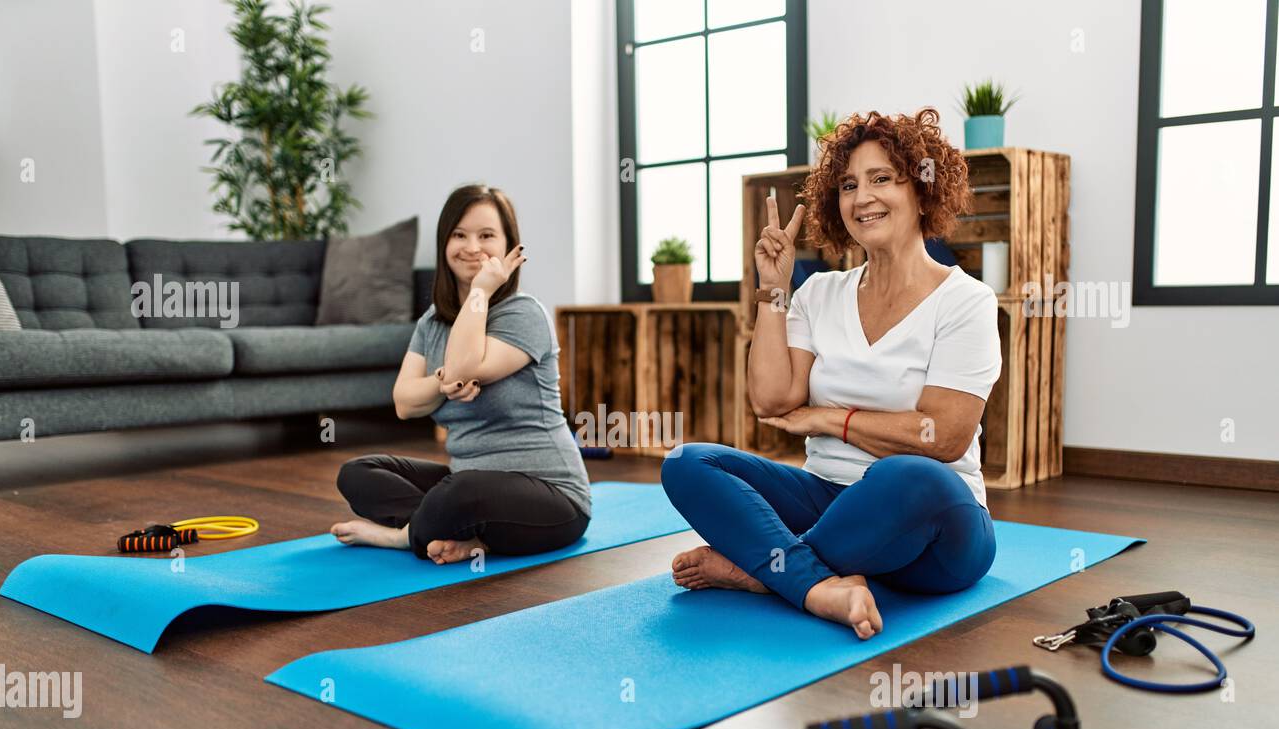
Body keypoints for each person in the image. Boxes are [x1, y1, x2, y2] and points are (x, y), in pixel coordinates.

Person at [662, 108, 1001, 639]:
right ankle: (816, 584)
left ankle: (768, 573)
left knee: (907, 473)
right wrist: (774, 288)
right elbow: (773, 400)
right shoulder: (819, 293)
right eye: (848, 185)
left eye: (881, 178)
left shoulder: (966, 301)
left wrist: (830, 419)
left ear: (922, 191)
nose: (862, 197)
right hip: (828, 499)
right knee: (688, 462)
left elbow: (945, 436)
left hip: (937, 530)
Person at [331, 184, 591, 563]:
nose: (472, 247)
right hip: (468, 484)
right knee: (357, 473)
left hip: (553, 498)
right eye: (459, 234)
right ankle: (459, 534)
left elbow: (465, 366)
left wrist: (481, 291)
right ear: (444, 243)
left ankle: (404, 537)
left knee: (460, 492)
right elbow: (405, 403)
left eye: (486, 236)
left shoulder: (525, 314)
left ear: (509, 247)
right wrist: (441, 382)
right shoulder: (432, 323)